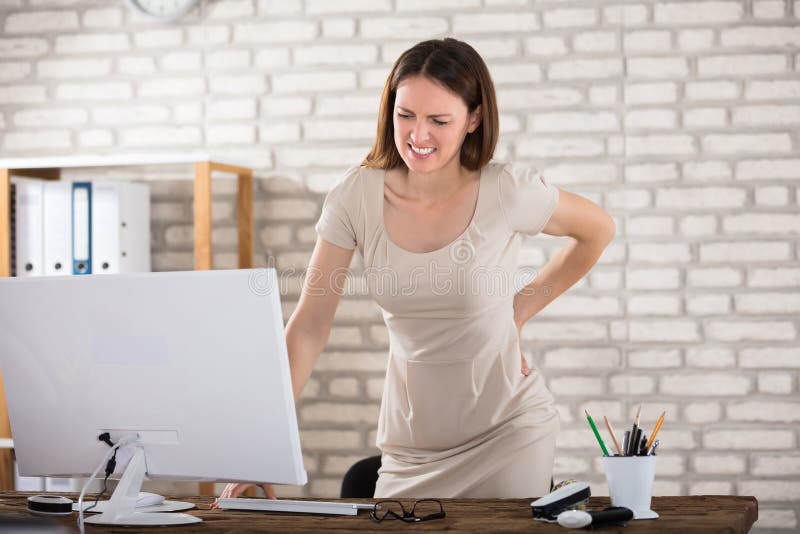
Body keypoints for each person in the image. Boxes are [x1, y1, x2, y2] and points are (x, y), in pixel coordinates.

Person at [216, 37, 615, 501]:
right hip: (410, 448)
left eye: (438, 120)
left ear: (474, 119)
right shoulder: (356, 195)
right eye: (405, 115)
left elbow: (598, 231)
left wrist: (518, 311)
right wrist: (261, 447)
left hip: (507, 432)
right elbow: (308, 326)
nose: (417, 136)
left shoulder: (507, 190)